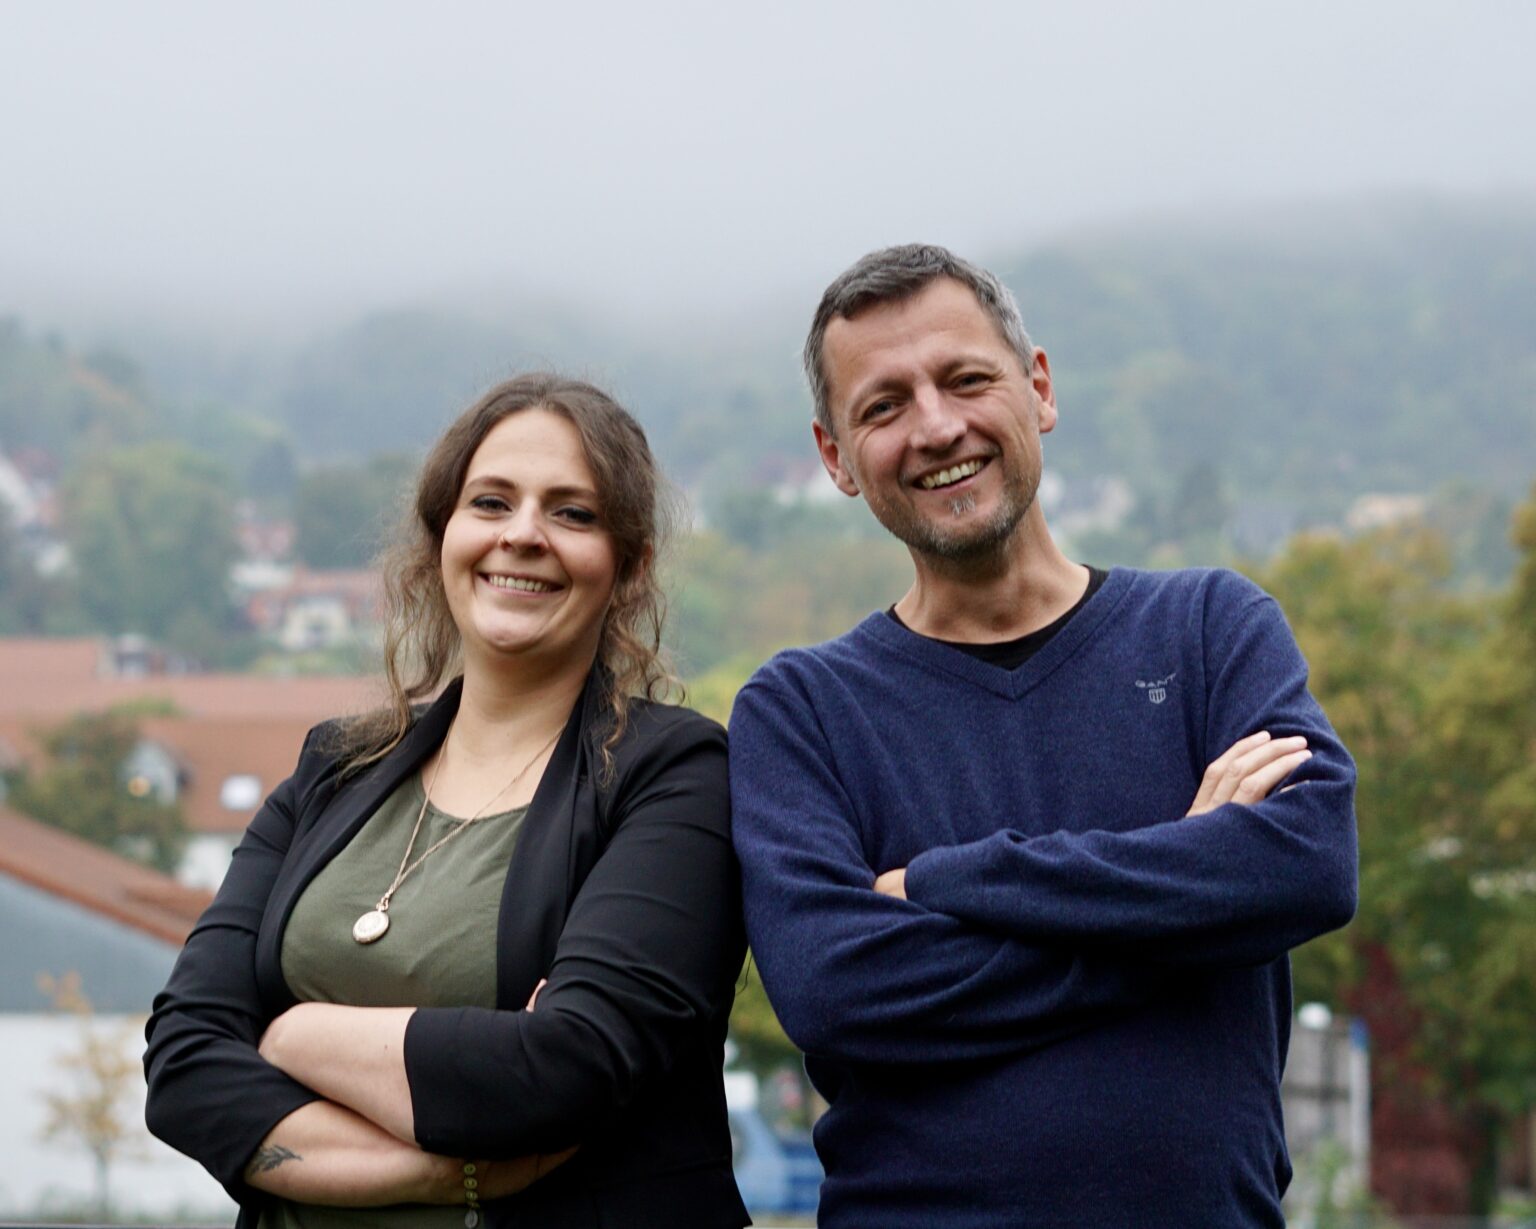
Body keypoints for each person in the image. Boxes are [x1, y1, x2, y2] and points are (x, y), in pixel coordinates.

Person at [728, 245, 1358, 1228]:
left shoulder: (1209, 630)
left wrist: (947, 882)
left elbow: (1309, 863)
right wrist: (1187, 891)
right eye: (883, 405)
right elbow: (836, 989)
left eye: (966, 379)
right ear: (835, 458)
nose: (937, 426)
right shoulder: (802, 709)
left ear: (1039, 388)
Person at [145, 374, 750, 1229]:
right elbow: (182, 1066)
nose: (524, 535)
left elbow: (563, 1071)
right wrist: (451, 1173)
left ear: (631, 563)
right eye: (491, 501)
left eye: (572, 513)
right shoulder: (335, 766)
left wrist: (293, 1035)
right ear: (442, 538)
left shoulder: (678, 773)